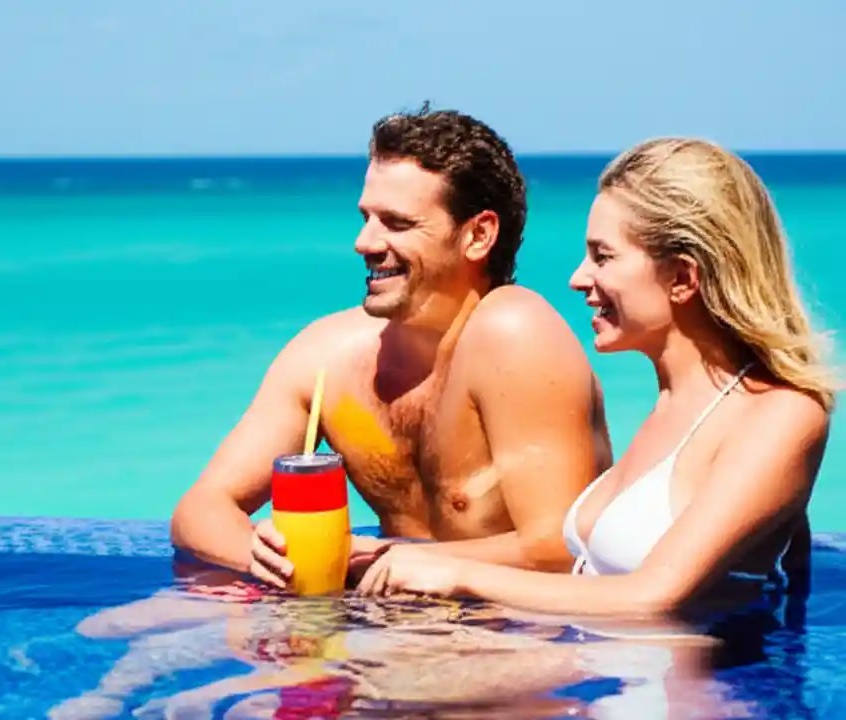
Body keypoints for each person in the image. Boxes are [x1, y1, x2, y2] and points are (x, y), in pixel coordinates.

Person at [358, 137, 835, 620]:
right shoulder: (674, 406)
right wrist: (393, 559)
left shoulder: (780, 415)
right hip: (605, 680)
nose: (578, 278)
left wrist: (459, 576)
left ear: (683, 278)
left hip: (691, 695)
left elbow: (652, 598)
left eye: (603, 257)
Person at [171, 104, 613, 587]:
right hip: (385, 612)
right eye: (366, 218)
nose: (364, 242)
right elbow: (201, 510)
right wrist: (262, 559)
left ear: (478, 235)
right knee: (127, 636)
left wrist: (391, 558)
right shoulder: (327, 356)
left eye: (396, 224)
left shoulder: (516, 333)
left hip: (513, 626)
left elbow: (559, 550)